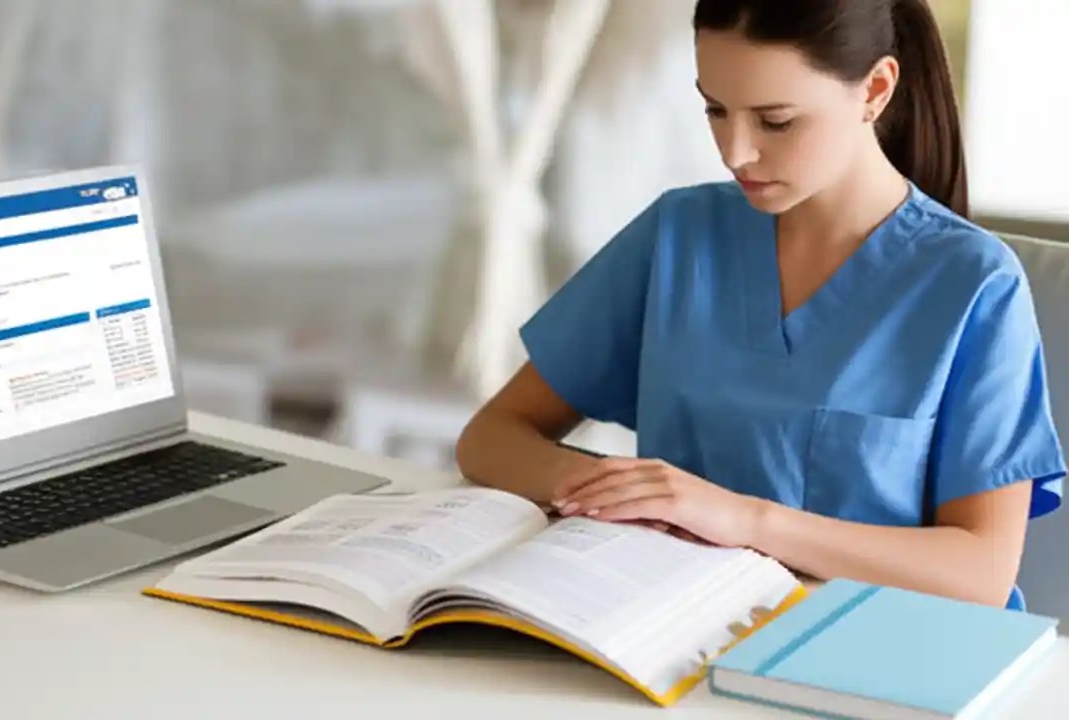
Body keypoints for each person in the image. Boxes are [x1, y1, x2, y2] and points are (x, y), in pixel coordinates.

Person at [454, 0, 1065, 609]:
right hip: (664, 626)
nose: (734, 152)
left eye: (776, 121)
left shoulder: (972, 282)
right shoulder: (679, 234)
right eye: (716, 110)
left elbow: (981, 570)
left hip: (872, 655)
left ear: (875, 90)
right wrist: (626, 496)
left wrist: (738, 519)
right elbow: (491, 436)